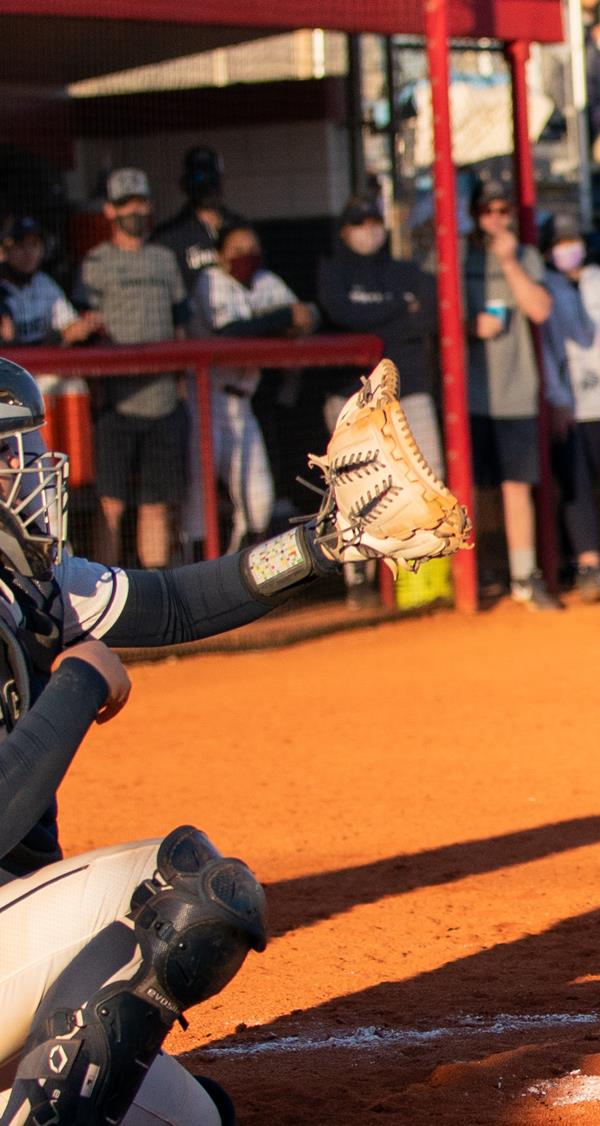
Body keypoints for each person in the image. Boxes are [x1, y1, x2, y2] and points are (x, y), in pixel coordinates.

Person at [0, 355, 460, 1126]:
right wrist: (79, 685)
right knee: (179, 887)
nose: (29, 468)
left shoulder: (27, 584)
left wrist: (324, 541)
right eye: (6, 452)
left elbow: (177, 603)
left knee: (194, 1120)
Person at [316, 195, 445, 608]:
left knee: (428, 478)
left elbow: (430, 314)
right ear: (344, 230)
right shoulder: (332, 271)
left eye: (374, 221)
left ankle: (424, 578)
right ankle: (360, 582)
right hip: (353, 400)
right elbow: (340, 312)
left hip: (410, 391)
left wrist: (376, 312)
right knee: (358, 493)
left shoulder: (406, 270)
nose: (369, 229)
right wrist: (397, 307)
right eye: (359, 223)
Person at [77, 168, 187, 570]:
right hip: (115, 403)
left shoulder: (163, 258)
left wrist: (180, 384)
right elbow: (83, 326)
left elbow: (180, 323)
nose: (134, 210)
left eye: (140, 202)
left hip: (161, 399)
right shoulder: (94, 263)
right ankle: (105, 598)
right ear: (109, 210)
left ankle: (154, 594)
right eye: (125, 204)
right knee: (110, 504)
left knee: (155, 504)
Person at [189, 223, 315, 553]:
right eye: (237, 249)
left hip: (243, 403)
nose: (246, 255)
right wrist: (279, 319)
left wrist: (289, 319)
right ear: (219, 256)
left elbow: (305, 315)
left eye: (252, 248)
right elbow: (229, 332)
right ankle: (189, 575)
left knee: (259, 501)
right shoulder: (210, 280)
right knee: (198, 495)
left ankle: (233, 577)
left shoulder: (265, 281)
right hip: (205, 399)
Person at [463, 179, 558, 610]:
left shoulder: (526, 256)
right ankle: (474, 569)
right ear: (474, 214)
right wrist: (470, 326)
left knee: (516, 486)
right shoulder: (462, 258)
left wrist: (511, 263)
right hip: (470, 394)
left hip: (516, 391)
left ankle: (523, 576)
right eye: (488, 211)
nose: (497, 219)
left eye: (504, 211)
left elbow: (539, 308)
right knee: (473, 489)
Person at [539, 218, 600, 601]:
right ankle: (588, 562)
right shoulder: (544, 286)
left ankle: (574, 560)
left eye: (572, 240)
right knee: (573, 480)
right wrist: (556, 399)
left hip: (597, 398)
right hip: (563, 399)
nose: (566, 248)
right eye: (559, 242)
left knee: (584, 480)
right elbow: (546, 348)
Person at [153, 146, 245, 295]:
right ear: (184, 184)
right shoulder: (168, 235)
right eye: (199, 178)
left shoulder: (239, 227)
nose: (207, 186)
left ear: (222, 180)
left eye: (212, 178)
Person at [1, 216, 98, 347]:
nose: (29, 252)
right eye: (20, 246)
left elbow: (68, 324)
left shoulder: (44, 283)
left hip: (41, 363)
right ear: (4, 251)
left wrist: (81, 327)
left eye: (34, 244)